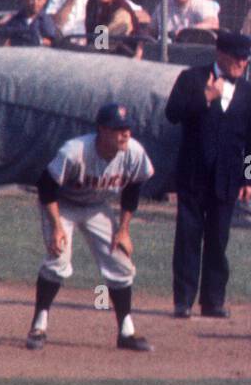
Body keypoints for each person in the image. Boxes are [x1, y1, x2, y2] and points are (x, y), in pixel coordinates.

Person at [25, 103, 154, 354]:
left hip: (96, 206)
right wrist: (57, 228)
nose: (125, 133)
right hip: (61, 205)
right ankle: (39, 325)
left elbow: (133, 188)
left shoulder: (134, 152)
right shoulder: (75, 151)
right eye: (118, 129)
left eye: (127, 128)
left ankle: (126, 331)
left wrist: (124, 230)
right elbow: (46, 187)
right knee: (58, 259)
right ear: (102, 130)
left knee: (120, 262)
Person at [165, 30, 251, 319]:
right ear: (220, 54)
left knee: (218, 240)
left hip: (228, 178)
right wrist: (207, 96)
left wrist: (250, 179)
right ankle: (182, 300)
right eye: (237, 58)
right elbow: (173, 113)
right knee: (188, 237)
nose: (241, 63)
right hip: (193, 173)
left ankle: (213, 301)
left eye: (245, 59)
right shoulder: (190, 78)